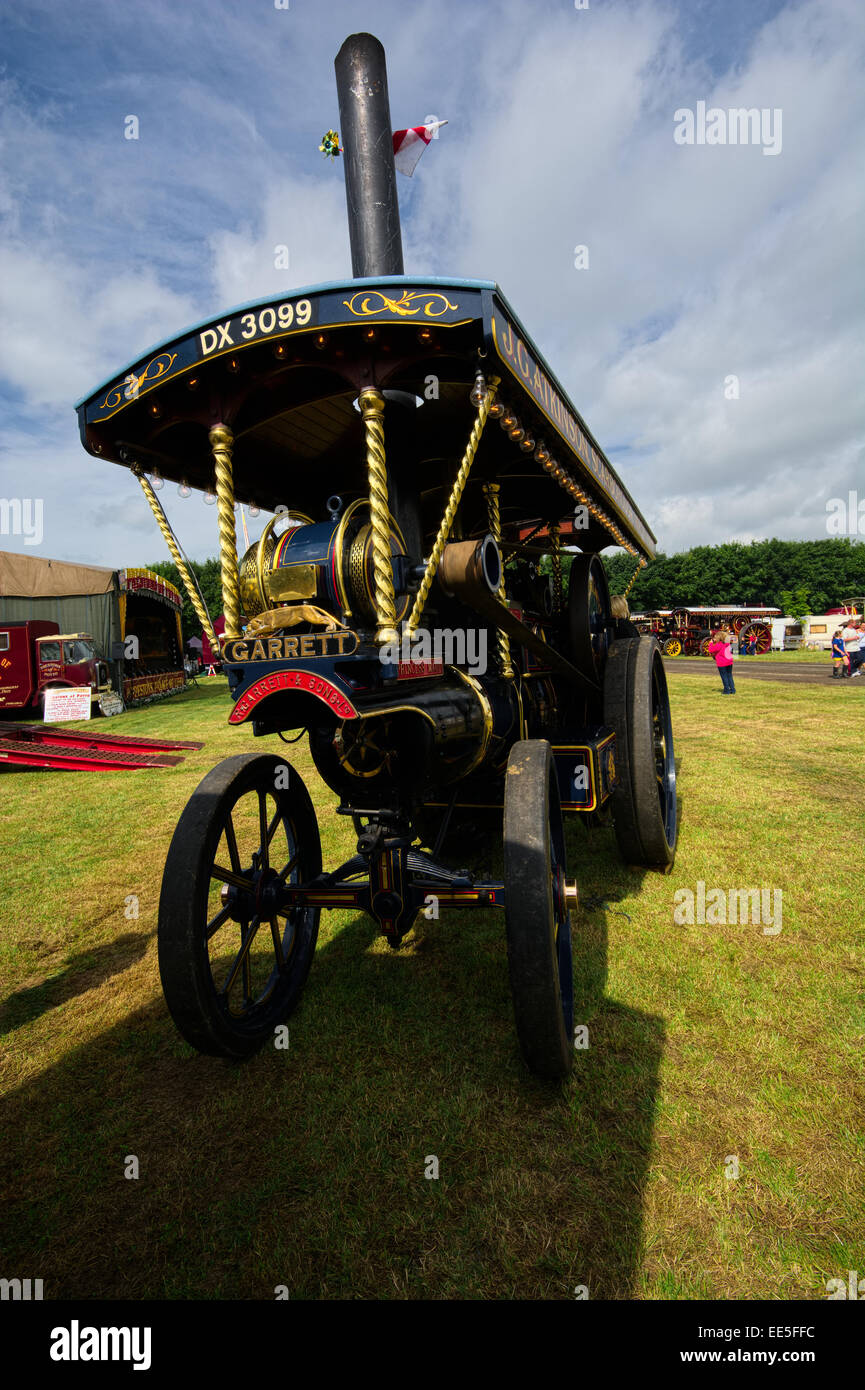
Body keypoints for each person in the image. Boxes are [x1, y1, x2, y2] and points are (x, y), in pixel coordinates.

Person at [706, 628, 736, 693]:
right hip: (729, 662)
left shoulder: (719, 644)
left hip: (722, 663)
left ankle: (726, 690)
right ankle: (732, 689)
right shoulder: (727, 644)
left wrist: (711, 643)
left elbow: (711, 650)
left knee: (724, 676)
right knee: (729, 676)